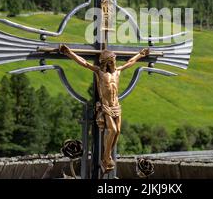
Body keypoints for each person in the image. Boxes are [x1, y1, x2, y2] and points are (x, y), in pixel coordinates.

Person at [58, 44, 150, 172]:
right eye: (113, 60)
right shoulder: (100, 73)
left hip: (116, 106)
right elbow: (84, 63)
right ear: (107, 61)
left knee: (117, 131)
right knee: (111, 130)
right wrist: (69, 53)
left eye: (115, 60)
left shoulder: (118, 72)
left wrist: (141, 55)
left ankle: (107, 155)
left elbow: (130, 62)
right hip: (106, 107)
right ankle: (106, 157)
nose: (115, 62)